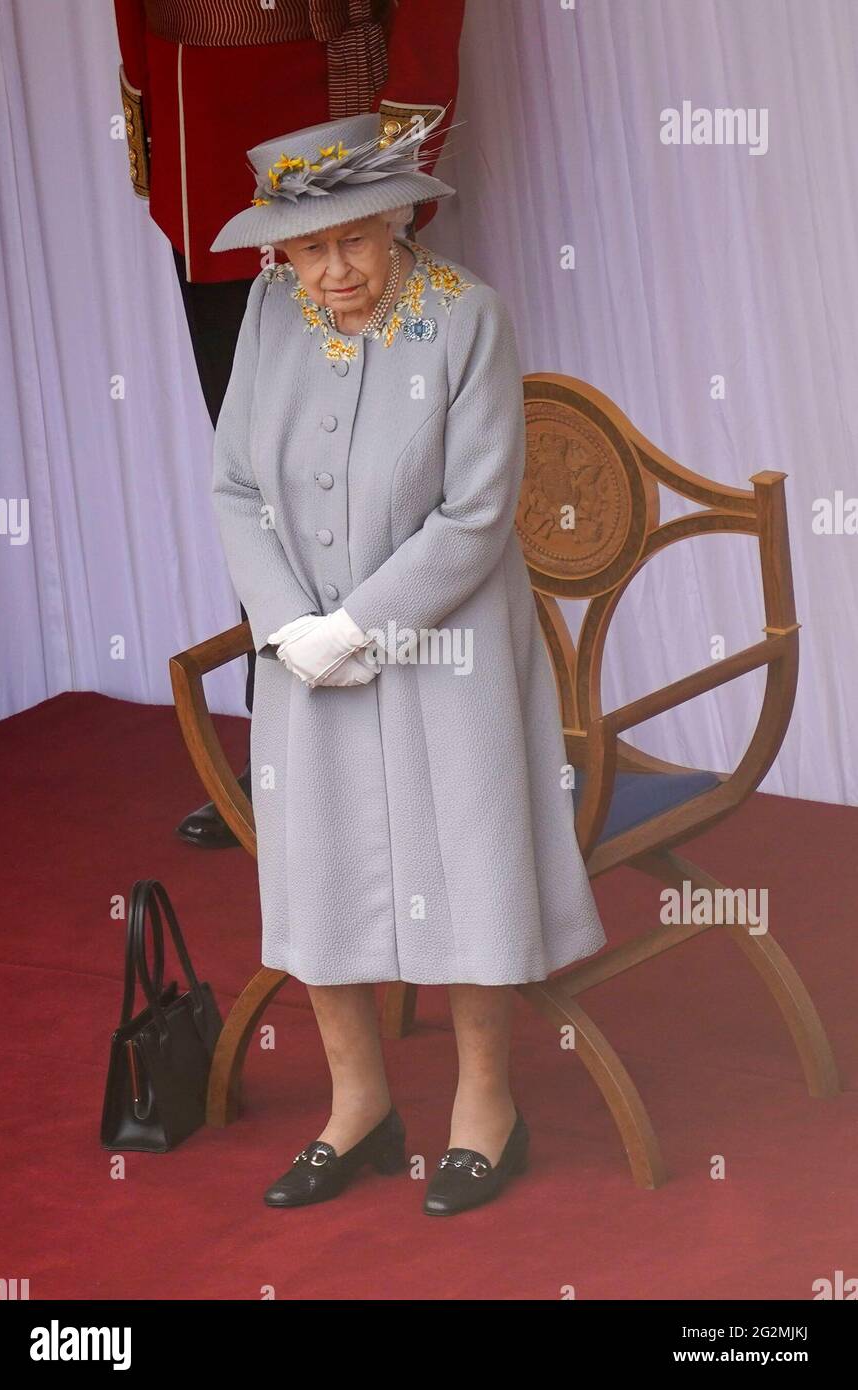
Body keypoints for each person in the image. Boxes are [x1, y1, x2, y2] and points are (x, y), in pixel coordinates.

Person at [209, 110, 608, 1216]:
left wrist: (363, 623)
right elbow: (234, 488)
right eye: (306, 245)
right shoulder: (265, 314)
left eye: (353, 238)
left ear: (398, 219)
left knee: (469, 857)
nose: (331, 270)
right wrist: (288, 623)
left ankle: (485, 1105)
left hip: (448, 648)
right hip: (303, 656)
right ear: (276, 250)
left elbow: (476, 512)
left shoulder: (467, 317)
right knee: (318, 862)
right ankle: (359, 1108)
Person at [113, 0, 466, 846]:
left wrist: (402, 135)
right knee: (258, 473)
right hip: (205, 135)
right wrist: (149, 110)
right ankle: (285, 752)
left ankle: (401, 741)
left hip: (328, 127)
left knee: (376, 467)